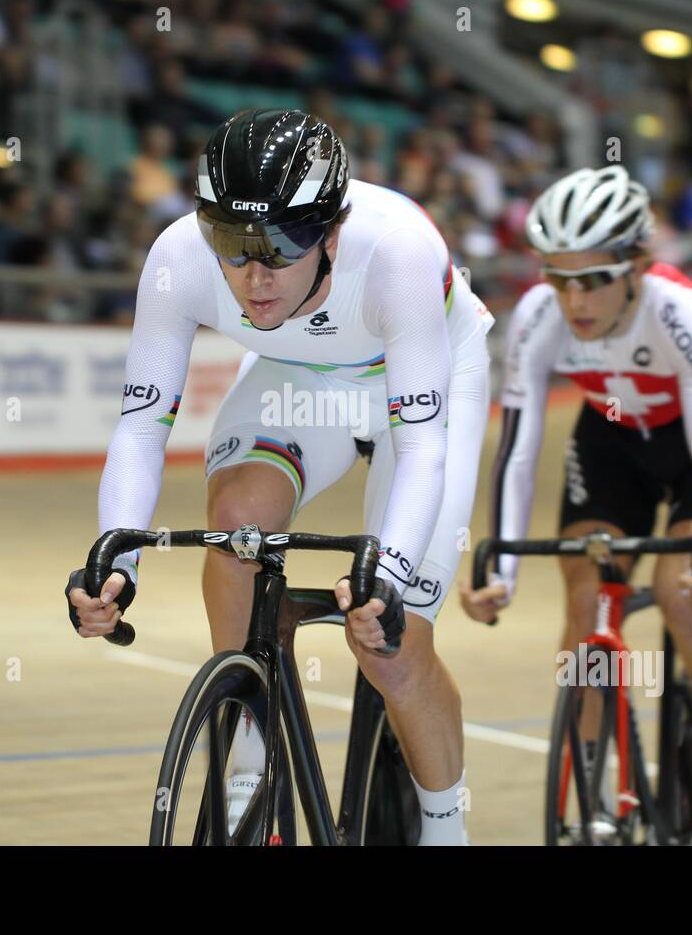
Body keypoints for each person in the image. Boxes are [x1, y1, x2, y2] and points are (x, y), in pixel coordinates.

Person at [66, 108, 495, 844]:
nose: (255, 278)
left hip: (426, 382)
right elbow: (143, 425)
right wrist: (118, 561)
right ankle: (246, 763)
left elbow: (423, 448)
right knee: (238, 522)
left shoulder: (395, 251)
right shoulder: (178, 256)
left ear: (332, 234)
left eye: (282, 247)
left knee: (391, 645)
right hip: (300, 380)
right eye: (234, 247)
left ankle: (445, 827)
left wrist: (384, 576)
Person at [457, 165, 692, 843]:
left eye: (593, 278)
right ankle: (595, 787)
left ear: (638, 267)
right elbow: (517, 449)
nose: (574, 300)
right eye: (558, 278)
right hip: (612, 437)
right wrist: (499, 569)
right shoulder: (539, 316)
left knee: (681, 589)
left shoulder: (679, 312)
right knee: (588, 594)